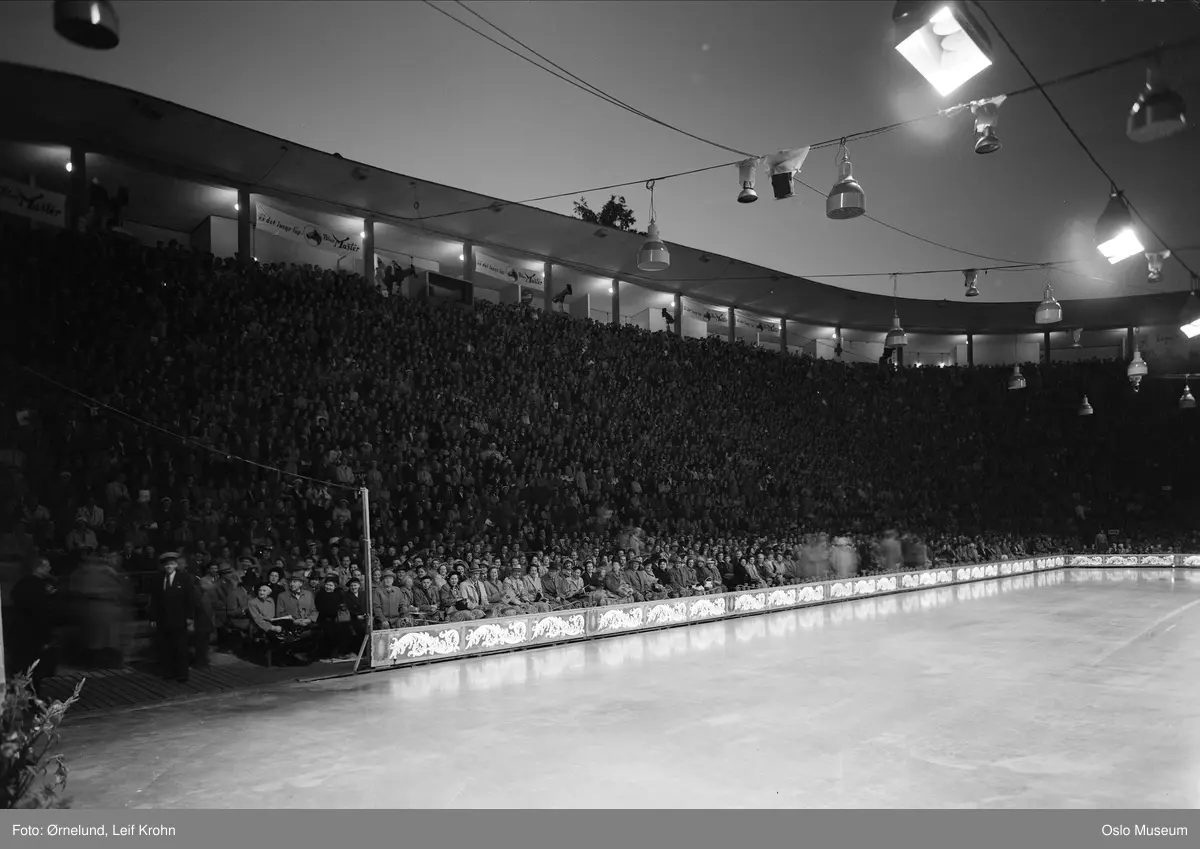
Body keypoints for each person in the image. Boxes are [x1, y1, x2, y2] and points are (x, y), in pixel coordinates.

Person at [10, 558, 60, 693]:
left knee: (21, 668)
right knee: (33, 670)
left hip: (20, 631)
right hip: (34, 633)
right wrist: (46, 637)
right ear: (39, 567)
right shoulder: (37, 587)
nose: (49, 569)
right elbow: (40, 613)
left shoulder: (22, 584)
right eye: (47, 566)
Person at [150, 551, 195, 682]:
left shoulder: (184, 578)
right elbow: (155, 600)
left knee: (180, 648)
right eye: (166, 565)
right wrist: (153, 617)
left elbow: (190, 599)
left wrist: (189, 617)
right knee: (166, 647)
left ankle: (182, 674)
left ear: (176, 565)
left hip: (179, 619)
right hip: (163, 619)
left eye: (171, 564)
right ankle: (169, 672)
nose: (168, 567)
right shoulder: (159, 579)